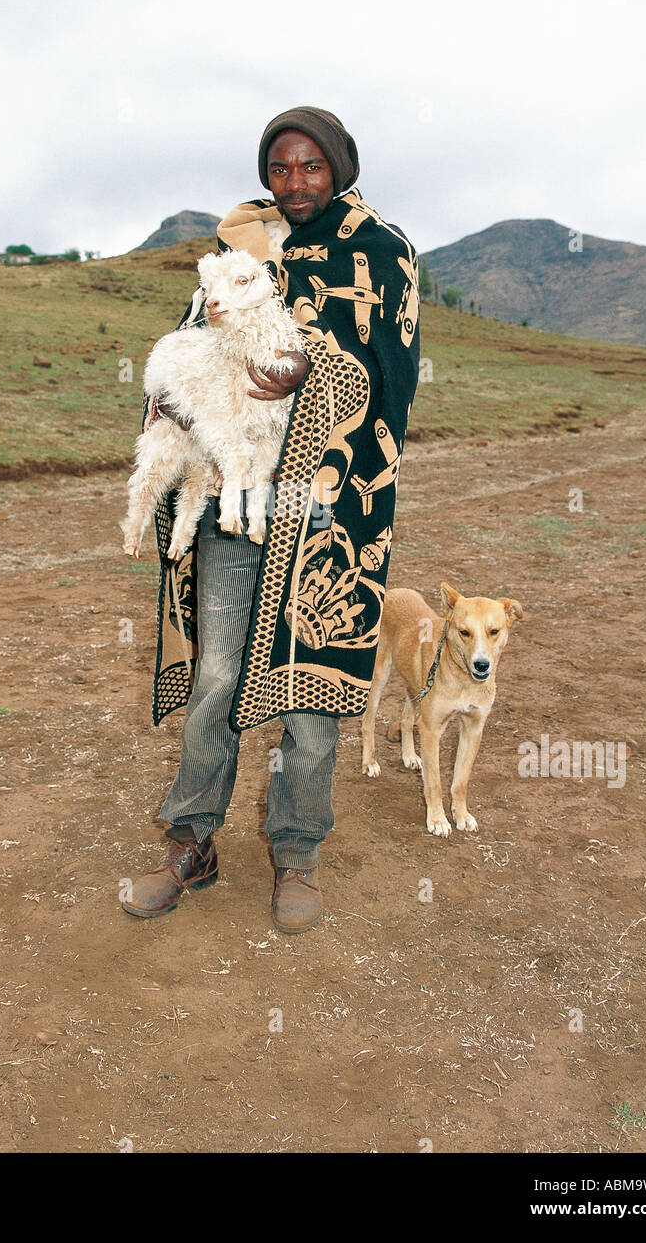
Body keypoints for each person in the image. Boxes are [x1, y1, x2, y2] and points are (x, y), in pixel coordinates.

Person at [122, 106, 420, 933]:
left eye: (310, 167)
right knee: (218, 674)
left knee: (309, 686)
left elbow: (389, 373)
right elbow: (191, 337)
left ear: (339, 167)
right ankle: (192, 841)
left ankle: (296, 852)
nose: (293, 184)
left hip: (326, 505)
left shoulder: (380, 251)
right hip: (230, 493)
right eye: (280, 169)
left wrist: (303, 366)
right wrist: (167, 402)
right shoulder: (240, 247)